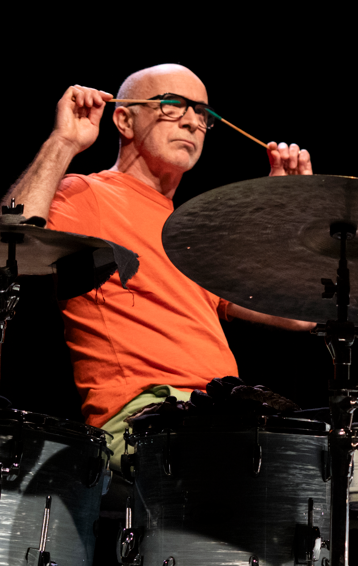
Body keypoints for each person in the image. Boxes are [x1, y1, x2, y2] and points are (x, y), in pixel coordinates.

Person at [4, 64, 314, 467]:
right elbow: (11, 237)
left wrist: (288, 213)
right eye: (173, 105)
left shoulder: (192, 235)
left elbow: (300, 315)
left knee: (344, 472)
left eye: (202, 113)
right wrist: (63, 142)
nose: (191, 121)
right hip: (148, 417)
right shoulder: (88, 195)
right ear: (124, 119)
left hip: (222, 408)